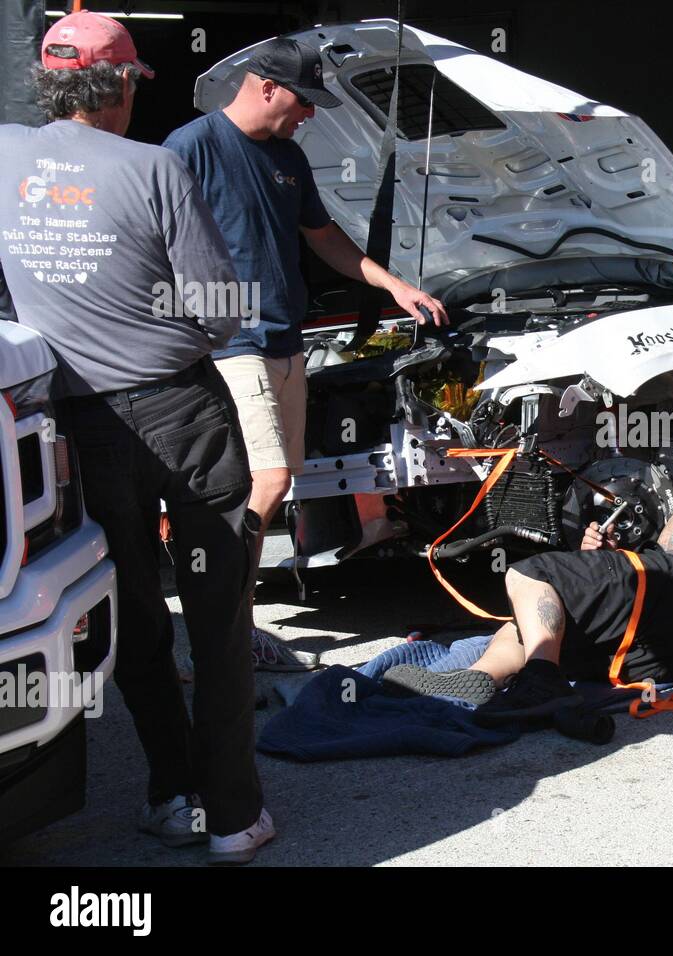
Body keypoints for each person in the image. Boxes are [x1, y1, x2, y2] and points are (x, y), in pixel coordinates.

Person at [0, 11, 272, 863]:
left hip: (76, 422)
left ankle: (172, 794)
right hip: (180, 412)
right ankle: (231, 817)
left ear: (50, 84)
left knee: (131, 614)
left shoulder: (5, 155)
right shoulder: (153, 167)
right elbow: (223, 314)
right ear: (120, 86)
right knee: (216, 609)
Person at [163, 37, 449, 671]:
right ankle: (223, 633)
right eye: (302, 101)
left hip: (289, 343)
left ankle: (229, 629)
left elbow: (325, 240)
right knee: (265, 481)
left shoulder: (287, 158)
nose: (310, 115)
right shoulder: (191, 148)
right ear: (266, 86)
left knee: (279, 482)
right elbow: (155, 241)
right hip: (231, 345)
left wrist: (395, 285)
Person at [383, 504, 673, 719]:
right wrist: (620, 559)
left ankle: (543, 681)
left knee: (531, 575)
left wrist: (628, 557)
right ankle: (480, 679)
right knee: (534, 626)